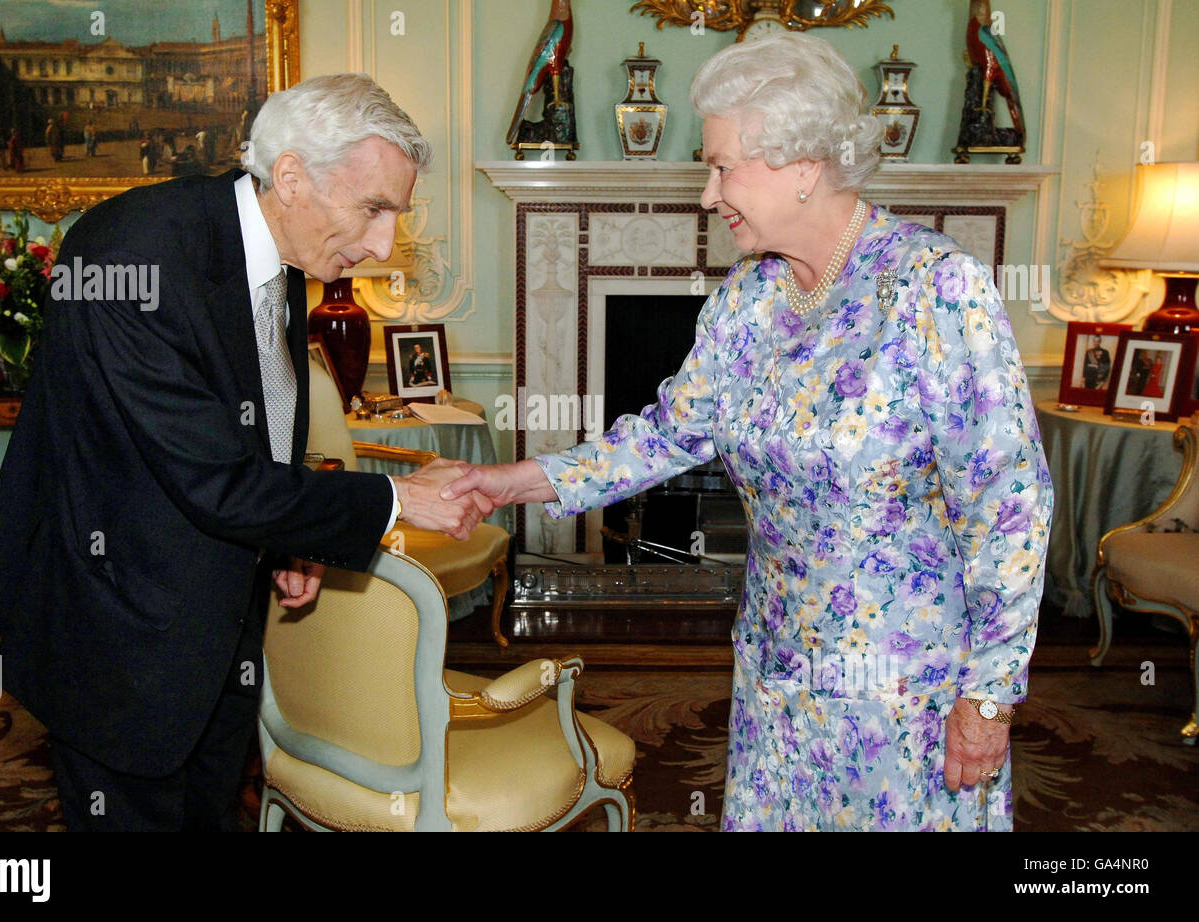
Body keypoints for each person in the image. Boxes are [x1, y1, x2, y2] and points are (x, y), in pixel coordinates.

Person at [444, 32, 1053, 831]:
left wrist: (990, 699)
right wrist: (510, 482)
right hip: (776, 660)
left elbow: (1010, 507)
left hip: (902, 684)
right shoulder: (749, 298)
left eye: (722, 166)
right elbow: (667, 435)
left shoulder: (934, 289)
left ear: (803, 167)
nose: (707, 194)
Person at [0, 73, 491, 831]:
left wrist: (286, 543)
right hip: (121, 635)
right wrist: (404, 497)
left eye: (395, 216)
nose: (382, 244)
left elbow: (240, 441)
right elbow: (213, 479)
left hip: (215, 629)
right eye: (375, 209)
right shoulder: (131, 256)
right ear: (294, 176)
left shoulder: (279, 262)